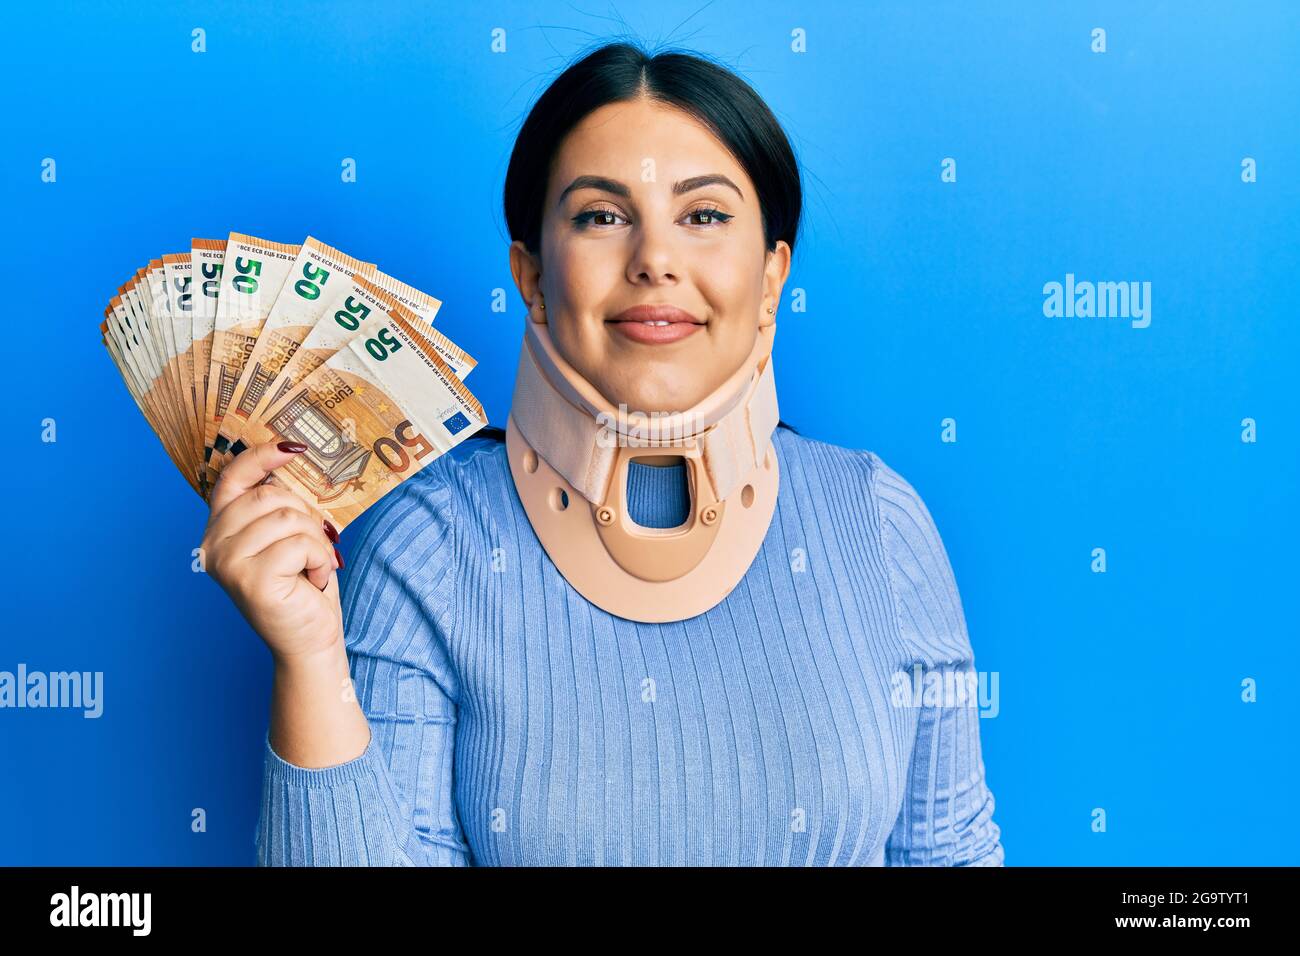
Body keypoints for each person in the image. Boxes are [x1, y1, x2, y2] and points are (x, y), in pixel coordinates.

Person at [202, 40, 1005, 866]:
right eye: (601, 216)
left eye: (704, 215)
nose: (654, 259)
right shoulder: (427, 545)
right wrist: (308, 660)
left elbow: (952, 853)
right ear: (533, 276)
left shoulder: (878, 523)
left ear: (772, 279)